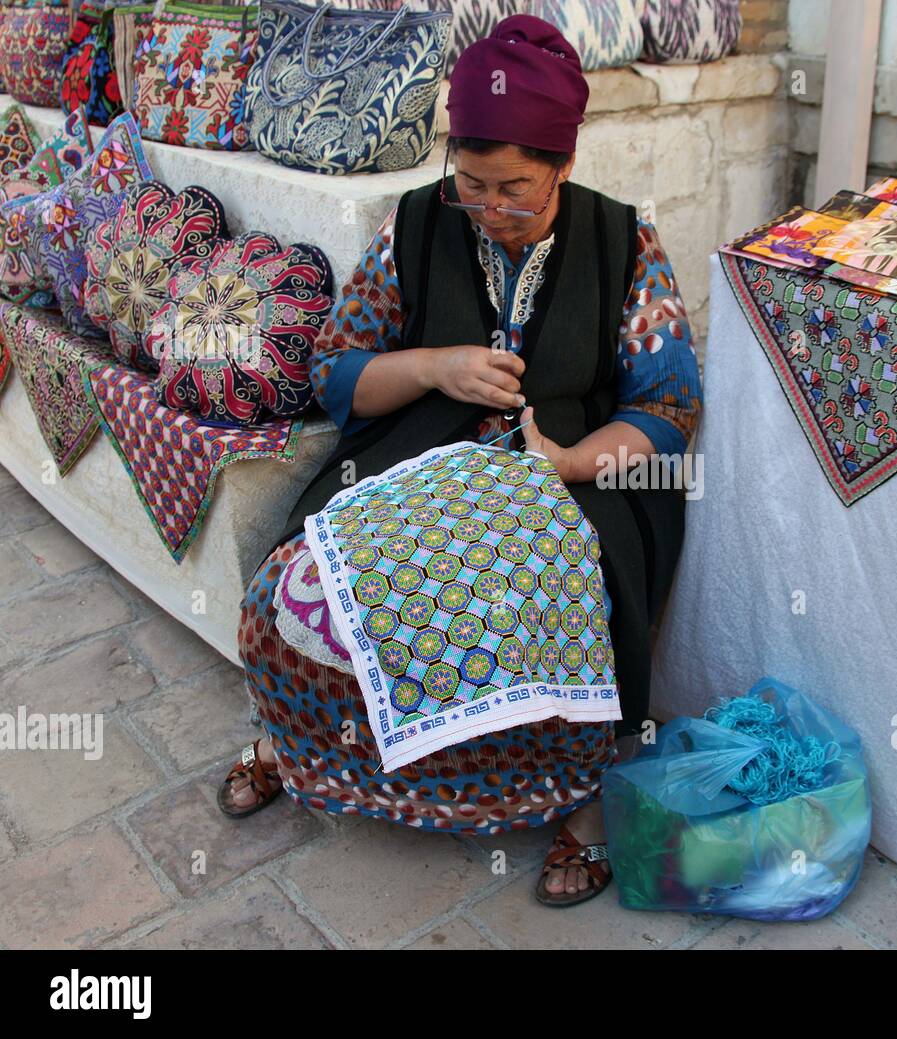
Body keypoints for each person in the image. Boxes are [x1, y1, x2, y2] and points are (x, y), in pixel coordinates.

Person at [217, 15, 701, 907]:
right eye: (471, 184)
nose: (491, 207)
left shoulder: (623, 240)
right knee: (299, 587)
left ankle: (579, 805)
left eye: (517, 186)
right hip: (410, 463)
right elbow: (334, 373)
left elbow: (668, 410)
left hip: (567, 481)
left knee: (528, 596)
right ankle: (303, 746)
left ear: (564, 161)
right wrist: (437, 365)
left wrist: (571, 461)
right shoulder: (414, 226)